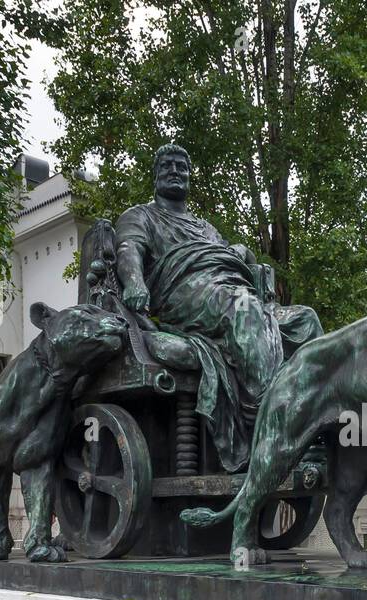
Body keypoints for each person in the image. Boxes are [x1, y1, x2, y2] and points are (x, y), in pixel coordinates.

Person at [114, 144, 321, 471]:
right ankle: (268, 429)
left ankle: (312, 421)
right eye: (167, 166)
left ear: (189, 176)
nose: (175, 171)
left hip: (228, 290)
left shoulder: (205, 228)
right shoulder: (140, 216)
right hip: (182, 295)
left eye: (181, 167)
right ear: (155, 175)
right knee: (244, 310)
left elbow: (226, 257)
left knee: (303, 321)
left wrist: (239, 251)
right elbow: (128, 248)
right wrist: (135, 282)